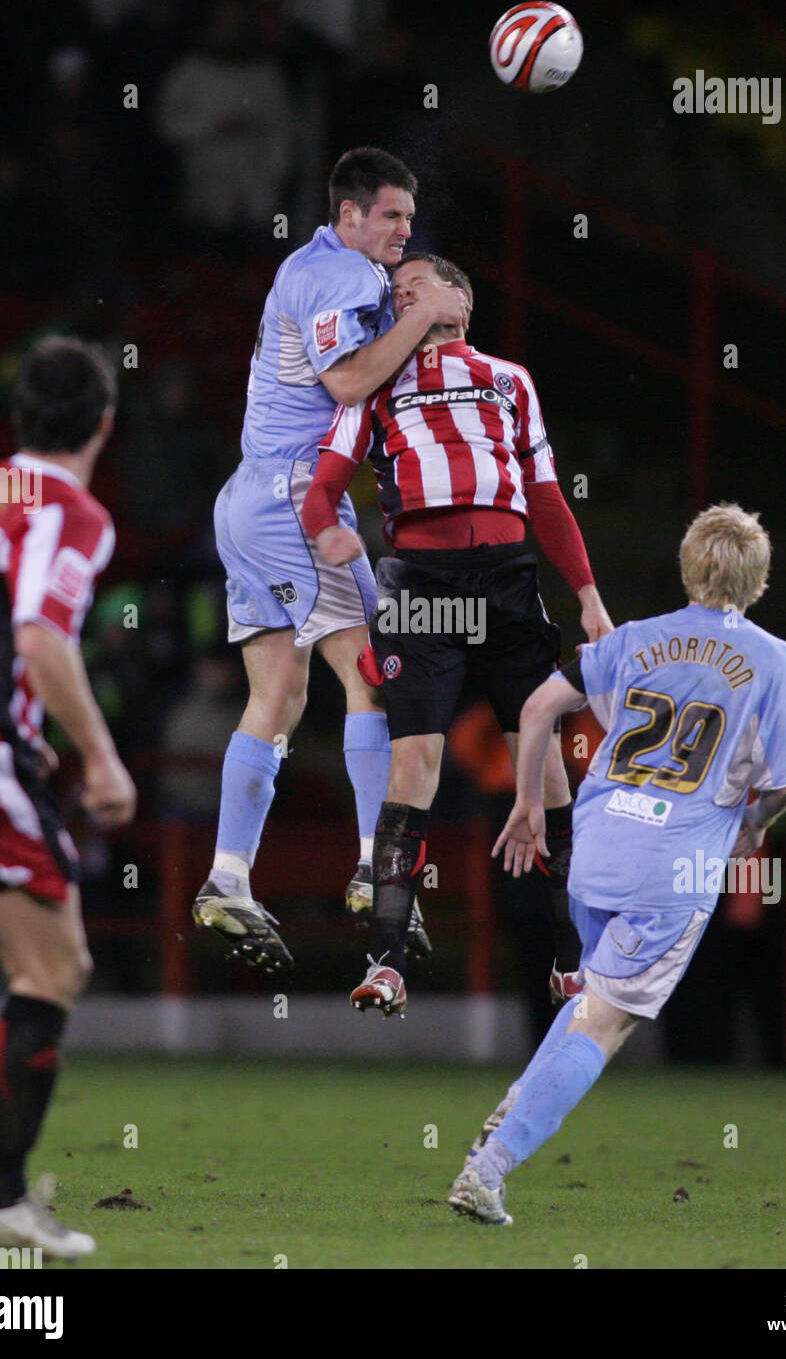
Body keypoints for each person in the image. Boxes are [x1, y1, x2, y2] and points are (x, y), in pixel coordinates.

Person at [448, 503, 786, 1223]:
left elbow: (541, 705)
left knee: (589, 1001)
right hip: (671, 870)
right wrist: (752, 828)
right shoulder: (772, 657)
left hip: (595, 844)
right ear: (758, 578)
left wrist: (527, 802)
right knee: (608, 1024)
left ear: (688, 565)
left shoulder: (638, 638)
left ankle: (519, 1102)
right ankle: (488, 1168)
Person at [300, 254, 613, 1017]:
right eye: (395, 296)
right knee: (417, 765)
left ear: (459, 301)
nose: (400, 301)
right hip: (421, 585)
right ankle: (386, 961)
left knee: (543, 770)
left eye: (414, 289)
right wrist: (325, 535)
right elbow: (322, 489)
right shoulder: (374, 387)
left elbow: (543, 494)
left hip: (507, 581)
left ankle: (575, 959)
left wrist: (590, 598)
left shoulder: (511, 380)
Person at [194, 150, 470, 973]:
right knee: (372, 676)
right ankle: (371, 867)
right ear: (349, 215)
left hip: (249, 497)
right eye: (389, 216)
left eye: (408, 220)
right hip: (291, 498)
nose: (400, 232)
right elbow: (348, 382)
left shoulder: (308, 264)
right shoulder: (346, 276)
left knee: (278, 693)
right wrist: (425, 319)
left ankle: (227, 878)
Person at [0, 336, 137, 1257]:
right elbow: (43, 643)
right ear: (103, 424)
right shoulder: (71, 511)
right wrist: (103, 759)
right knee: (54, 969)